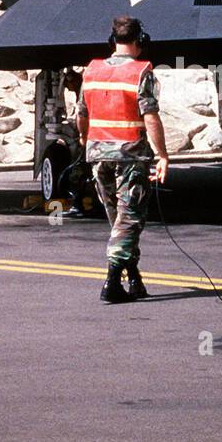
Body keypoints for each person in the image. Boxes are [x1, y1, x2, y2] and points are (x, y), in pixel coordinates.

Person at [76, 15, 170, 304]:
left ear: (112, 41)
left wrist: (83, 138)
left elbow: (81, 113)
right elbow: (150, 116)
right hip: (130, 157)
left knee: (119, 221)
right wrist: (162, 155)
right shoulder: (141, 72)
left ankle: (135, 280)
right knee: (128, 221)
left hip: (98, 156)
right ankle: (112, 283)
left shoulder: (91, 71)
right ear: (140, 41)